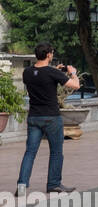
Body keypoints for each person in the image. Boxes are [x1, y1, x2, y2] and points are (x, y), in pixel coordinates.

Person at [16, 42, 79, 197]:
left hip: (34, 117)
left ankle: (22, 185)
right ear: (49, 54)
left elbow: (40, 76)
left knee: (30, 152)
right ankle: (54, 184)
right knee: (56, 152)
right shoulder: (52, 73)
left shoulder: (27, 72)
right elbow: (75, 85)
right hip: (51, 117)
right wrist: (73, 72)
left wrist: (54, 71)